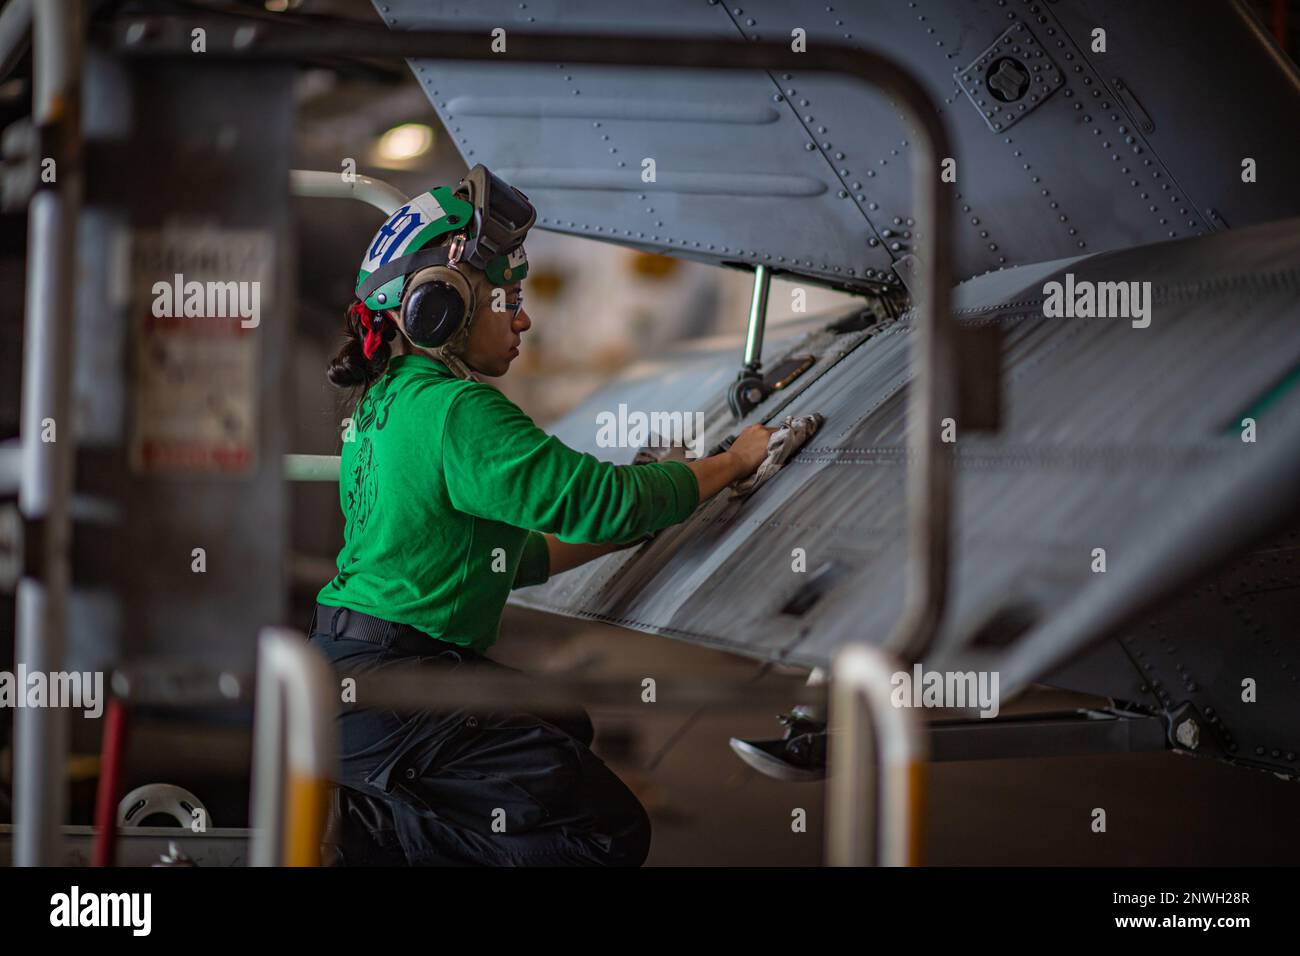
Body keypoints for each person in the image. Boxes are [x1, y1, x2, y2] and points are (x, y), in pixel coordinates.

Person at [310, 166, 775, 866]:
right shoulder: (459, 411)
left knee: (562, 722)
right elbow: (601, 500)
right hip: (392, 684)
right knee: (602, 835)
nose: (522, 319)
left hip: (355, 666)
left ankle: (383, 816)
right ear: (442, 305)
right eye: (508, 299)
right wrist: (732, 464)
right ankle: (372, 832)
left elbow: (516, 556)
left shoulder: (387, 401)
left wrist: (646, 517)